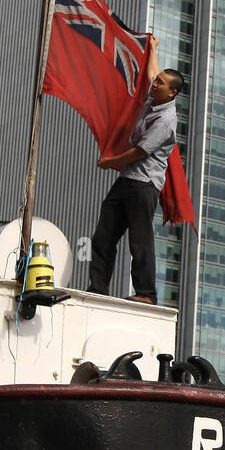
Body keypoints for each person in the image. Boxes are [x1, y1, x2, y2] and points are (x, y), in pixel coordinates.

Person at [87, 35, 184, 304]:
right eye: (157, 81)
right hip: (127, 180)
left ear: (172, 93)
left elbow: (141, 151)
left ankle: (146, 294)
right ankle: (97, 289)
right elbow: (153, 72)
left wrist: (111, 162)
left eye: (161, 84)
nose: (155, 84)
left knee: (139, 241)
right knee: (103, 236)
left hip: (144, 186)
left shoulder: (166, 120)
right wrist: (151, 49)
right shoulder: (154, 100)